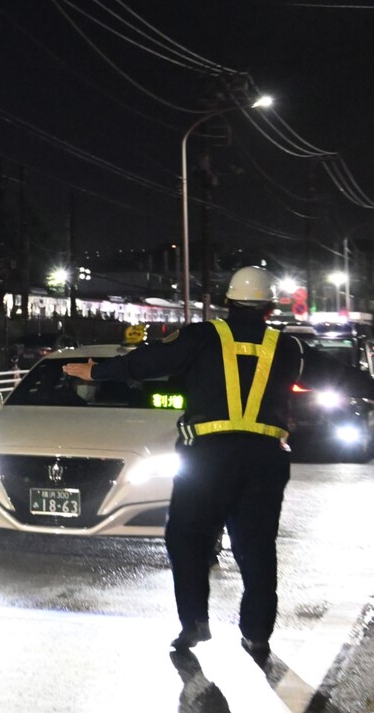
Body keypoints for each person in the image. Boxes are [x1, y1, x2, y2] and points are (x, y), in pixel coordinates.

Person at [64, 266, 374, 657]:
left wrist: (99, 371)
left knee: (187, 537)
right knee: (257, 547)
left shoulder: (202, 336)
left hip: (206, 458)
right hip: (264, 460)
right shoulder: (289, 348)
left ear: (227, 302)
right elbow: (340, 376)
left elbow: (148, 362)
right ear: (269, 306)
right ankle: (257, 634)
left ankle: (194, 622)